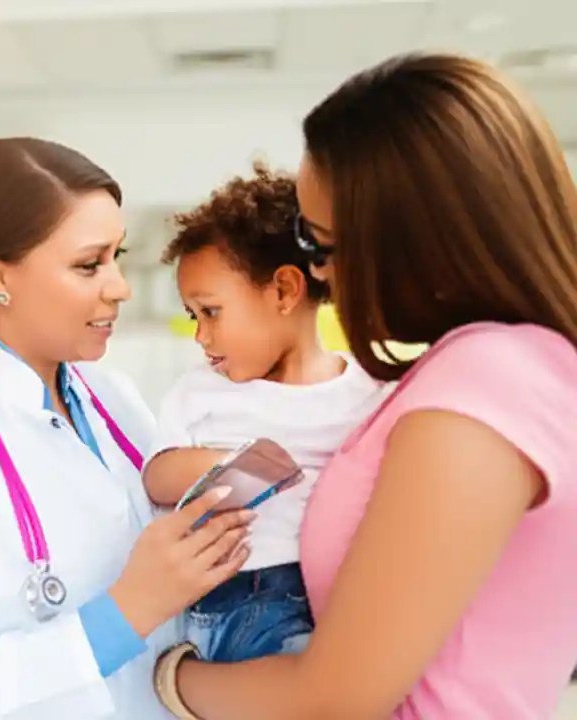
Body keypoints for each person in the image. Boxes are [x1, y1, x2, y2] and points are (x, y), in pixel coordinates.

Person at [152, 53, 577, 719]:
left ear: (405, 241)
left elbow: (331, 696)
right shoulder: (490, 368)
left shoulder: (489, 383)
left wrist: (171, 679)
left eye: (322, 246)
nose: (323, 276)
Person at [0, 137, 254, 719]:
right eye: (89, 264)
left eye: (118, 256)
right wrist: (128, 610)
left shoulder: (115, 399)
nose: (120, 286)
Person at [143, 164, 388, 664]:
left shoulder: (368, 390)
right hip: (246, 594)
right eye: (194, 316)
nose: (201, 337)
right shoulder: (201, 394)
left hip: (348, 588)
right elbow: (157, 476)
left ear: (283, 291)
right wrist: (240, 463)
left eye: (210, 312)